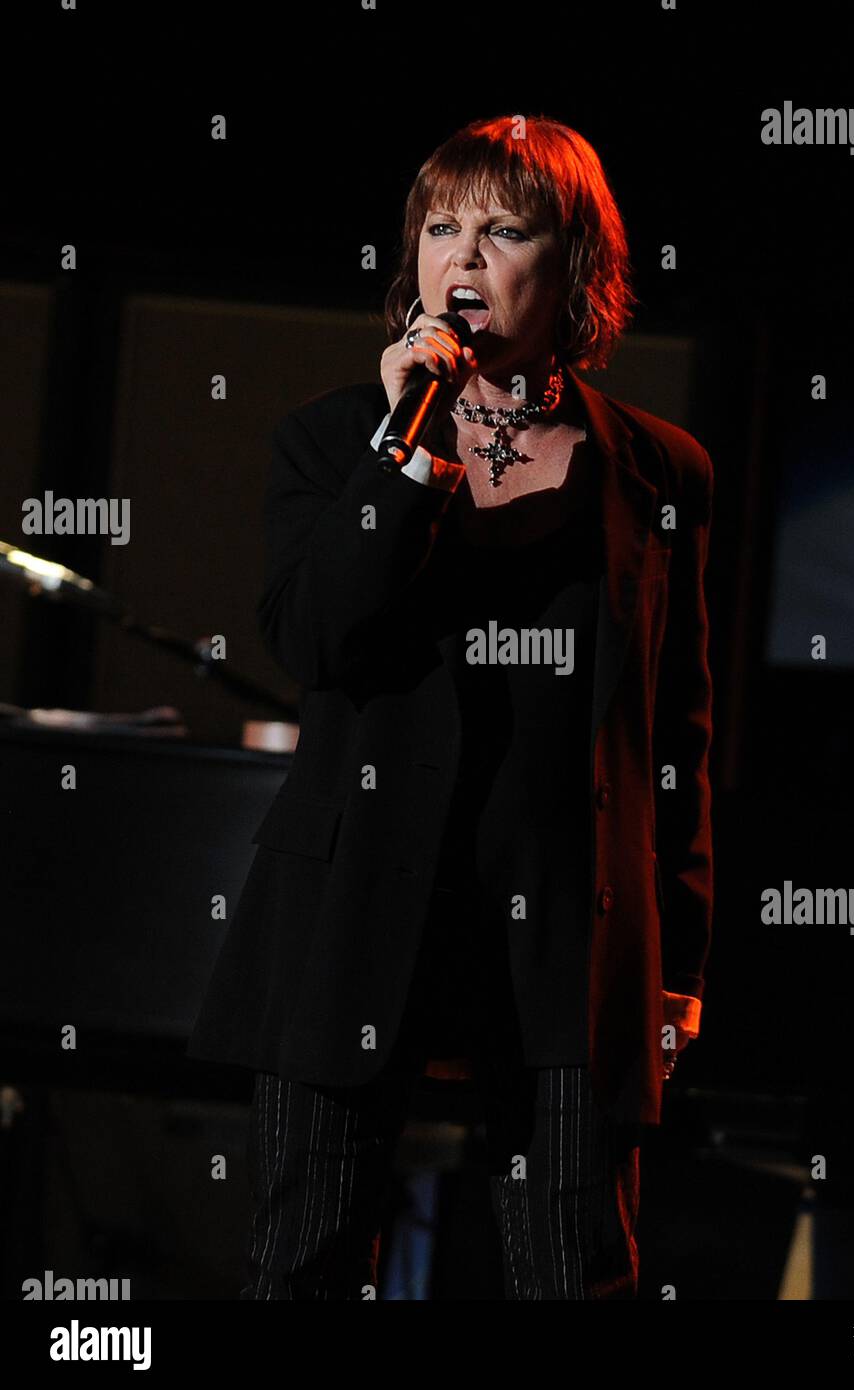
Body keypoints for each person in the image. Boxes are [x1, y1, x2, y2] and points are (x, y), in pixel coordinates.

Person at [186, 113, 714, 1300]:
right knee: (305, 1252)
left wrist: (675, 958)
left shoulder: (659, 469)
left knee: (573, 1266)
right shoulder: (334, 443)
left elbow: (673, 732)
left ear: (573, 265)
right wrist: (404, 454)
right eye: (440, 228)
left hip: (566, 924)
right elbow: (318, 637)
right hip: (362, 895)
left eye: (502, 230)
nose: (463, 260)